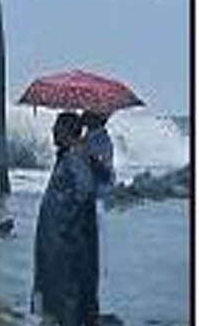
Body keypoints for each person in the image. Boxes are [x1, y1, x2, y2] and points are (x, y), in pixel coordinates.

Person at [32, 111, 99, 325]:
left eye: (57, 127)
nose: (52, 131)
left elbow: (85, 191)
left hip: (66, 241)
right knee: (57, 287)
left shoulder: (75, 156)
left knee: (67, 290)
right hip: (58, 238)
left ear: (66, 131)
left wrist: (67, 224)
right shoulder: (68, 155)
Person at [81, 110, 114, 324]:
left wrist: (87, 156)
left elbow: (104, 171)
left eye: (87, 112)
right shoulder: (91, 137)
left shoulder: (101, 139)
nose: (82, 113)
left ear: (96, 118)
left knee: (87, 256)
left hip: (93, 201)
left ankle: (89, 308)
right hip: (91, 200)